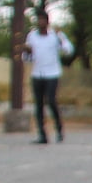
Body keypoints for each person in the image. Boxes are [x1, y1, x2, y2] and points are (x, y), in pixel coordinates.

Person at [22, 11, 73, 144]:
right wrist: (27, 52)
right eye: (38, 20)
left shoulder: (56, 35)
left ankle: (59, 129)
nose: (40, 22)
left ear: (47, 21)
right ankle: (42, 135)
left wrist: (61, 40)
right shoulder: (32, 36)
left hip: (52, 73)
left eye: (43, 20)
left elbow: (69, 50)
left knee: (51, 101)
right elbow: (27, 58)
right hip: (37, 74)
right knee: (38, 105)